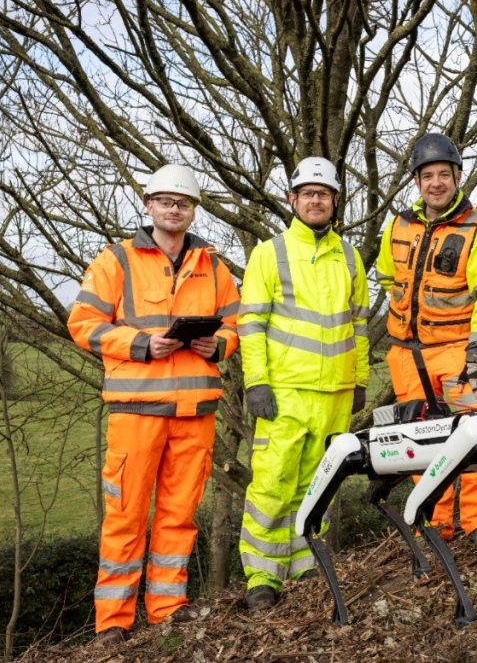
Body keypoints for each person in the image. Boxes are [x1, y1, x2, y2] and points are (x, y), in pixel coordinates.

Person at [67, 164, 241, 645]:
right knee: (125, 517)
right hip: (136, 414)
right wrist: (142, 344)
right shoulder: (115, 261)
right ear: (148, 204)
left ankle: (167, 607)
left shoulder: (212, 264)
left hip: (194, 414)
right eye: (165, 201)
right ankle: (113, 622)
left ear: (193, 210)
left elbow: (237, 323)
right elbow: (83, 323)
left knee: (179, 515)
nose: (174, 209)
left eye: (182, 203)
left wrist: (219, 345)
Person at [237, 156, 370, 611]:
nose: (316, 200)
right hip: (285, 393)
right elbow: (251, 323)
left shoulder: (350, 257)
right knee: (272, 485)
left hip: (334, 394)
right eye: (308, 193)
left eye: (324, 194)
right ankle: (261, 576)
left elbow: (359, 325)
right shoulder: (268, 253)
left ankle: (306, 562)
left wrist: (360, 379)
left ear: (335, 202)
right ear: (293, 200)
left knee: (318, 486)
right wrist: (256, 383)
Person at [376, 133, 477, 550]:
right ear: (416, 181)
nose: (436, 183)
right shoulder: (398, 226)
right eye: (427, 175)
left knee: (472, 436)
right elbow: (385, 276)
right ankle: (433, 518)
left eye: (443, 175)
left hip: (458, 351)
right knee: (418, 442)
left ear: (457, 177)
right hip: (406, 354)